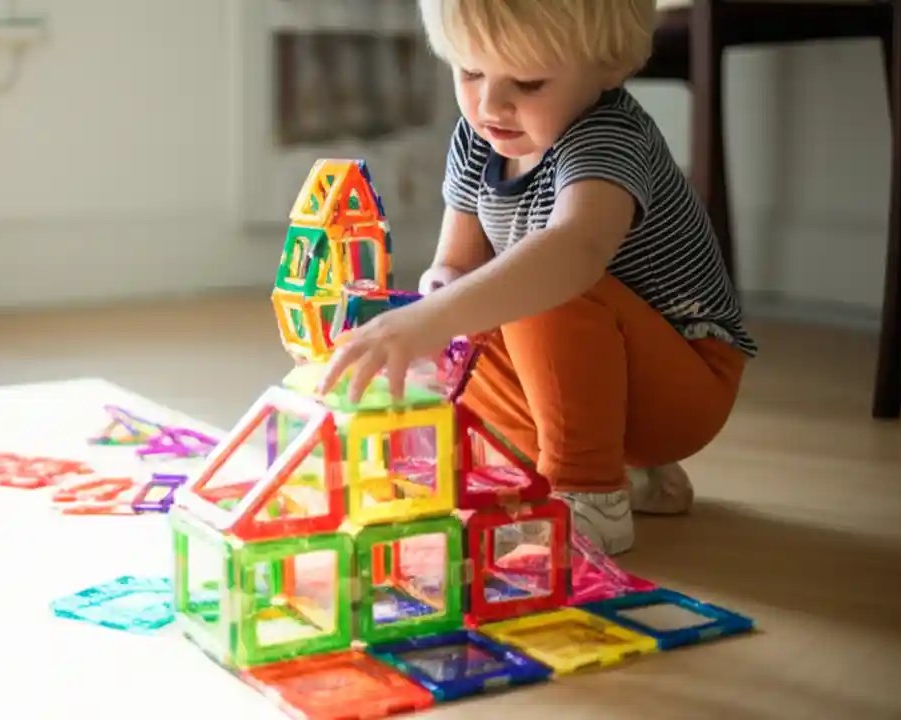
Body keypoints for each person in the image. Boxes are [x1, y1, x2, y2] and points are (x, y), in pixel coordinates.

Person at [317, 0, 757, 555]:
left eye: (527, 82)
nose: (489, 104)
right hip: (597, 381)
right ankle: (626, 473)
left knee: (536, 281)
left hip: (686, 384)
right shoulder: (477, 139)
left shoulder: (606, 137)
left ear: (608, 68)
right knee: (456, 343)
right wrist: (433, 301)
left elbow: (574, 252)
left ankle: (589, 492)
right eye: (471, 72)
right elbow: (457, 266)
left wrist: (436, 315)